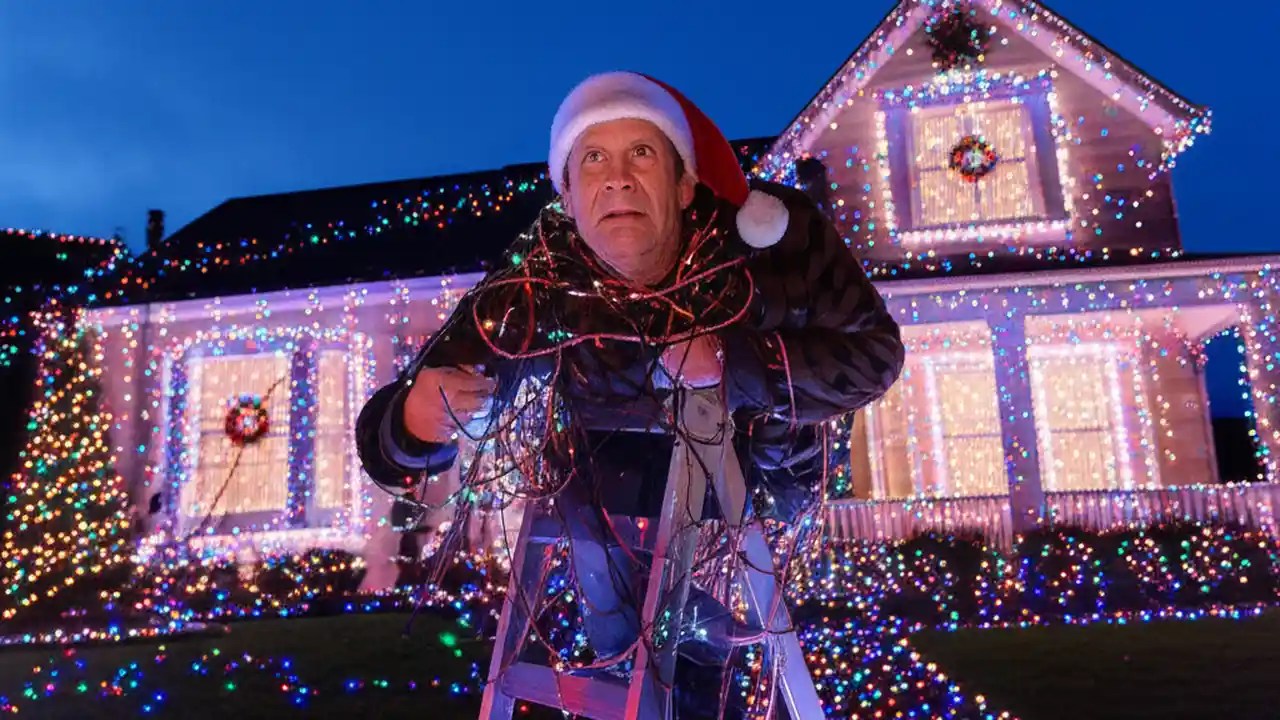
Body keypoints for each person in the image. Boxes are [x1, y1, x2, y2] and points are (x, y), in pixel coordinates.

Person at [356, 71, 904, 691]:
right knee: (623, 593)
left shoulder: (777, 241)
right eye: (593, 159)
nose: (617, 177)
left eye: (641, 153)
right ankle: (667, 675)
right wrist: (413, 422)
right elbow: (402, 421)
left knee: (702, 644)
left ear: (684, 183)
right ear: (566, 198)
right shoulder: (541, 278)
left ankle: (694, 668)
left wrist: (735, 363)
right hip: (611, 488)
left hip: (766, 477)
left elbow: (875, 353)